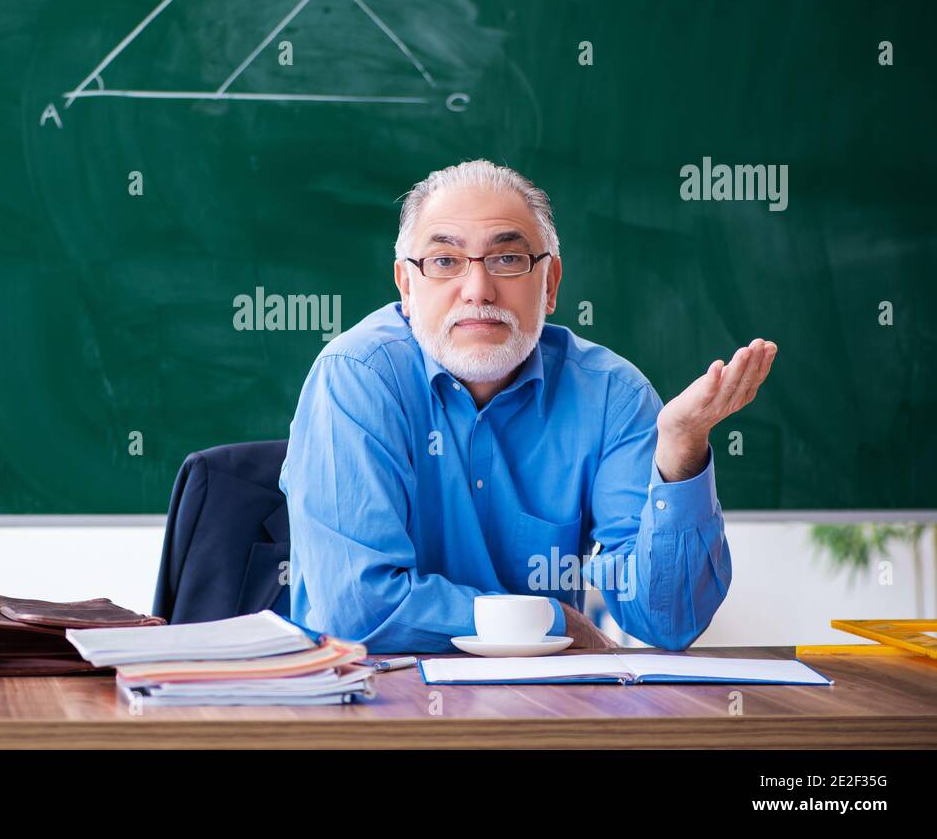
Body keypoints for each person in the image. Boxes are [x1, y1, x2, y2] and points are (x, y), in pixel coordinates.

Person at [279, 159, 776, 653]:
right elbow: (355, 608)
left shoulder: (611, 396)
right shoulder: (356, 376)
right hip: (371, 713)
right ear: (407, 286)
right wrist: (548, 618)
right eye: (445, 262)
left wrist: (681, 450)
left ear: (551, 283)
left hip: (542, 715)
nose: (477, 291)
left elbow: (669, 621)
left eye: (507, 259)